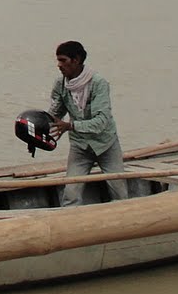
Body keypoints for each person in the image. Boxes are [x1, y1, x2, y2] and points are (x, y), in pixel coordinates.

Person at [49, 40, 125, 206]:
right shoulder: (61, 85)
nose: (59, 65)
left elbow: (101, 122)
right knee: (71, 194)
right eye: (58, 60)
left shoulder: (98, 83)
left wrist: (70, 126)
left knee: (119, 192)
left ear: (76, 60)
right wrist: (36, 131)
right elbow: (54, 114)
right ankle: (69, 219)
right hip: (80, 145)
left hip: (105, 144)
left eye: (63, 60)